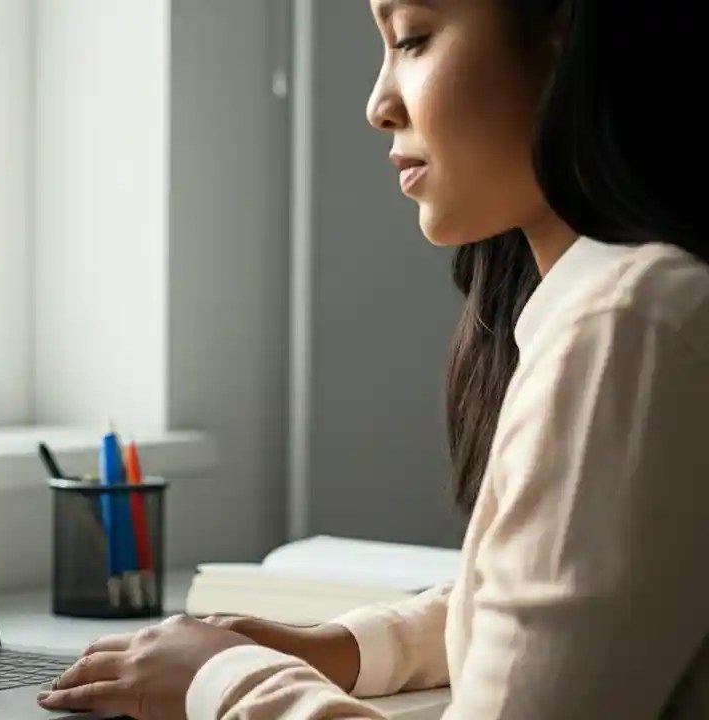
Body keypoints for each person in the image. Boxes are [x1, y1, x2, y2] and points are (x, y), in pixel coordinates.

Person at [36, 0, 709, 717]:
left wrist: (224, 681)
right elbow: (562, 601)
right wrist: (343, 647)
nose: (378, 105)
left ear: (564, 36)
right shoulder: (634, 308)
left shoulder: (628, 325)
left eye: (413, 39)